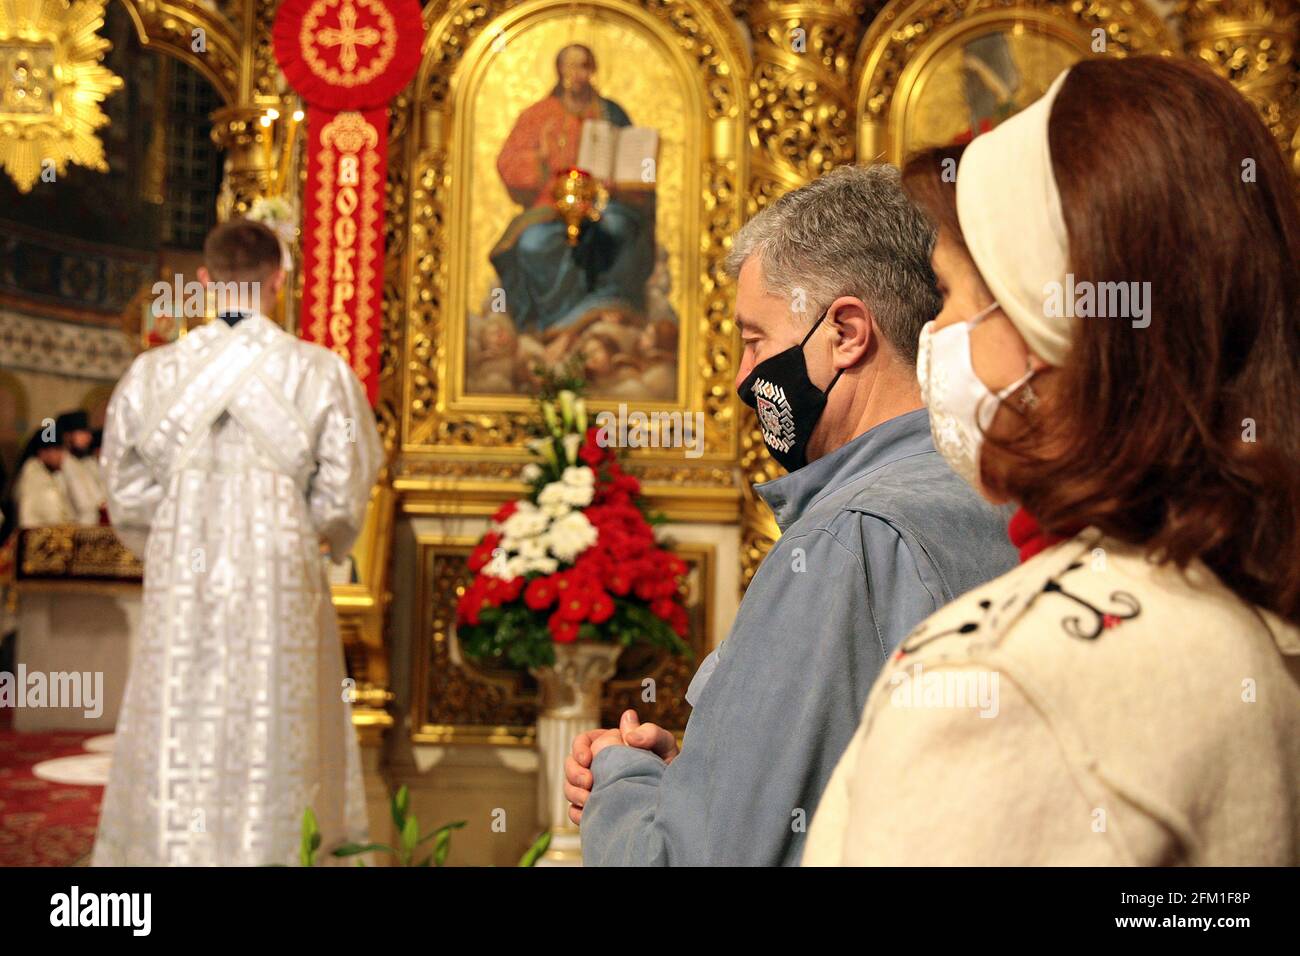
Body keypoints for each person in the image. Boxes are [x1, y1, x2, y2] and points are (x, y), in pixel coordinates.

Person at [804, 57, 1300, 865]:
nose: (938, 336)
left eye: (956, 296)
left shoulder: (997, 684)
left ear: (1065, 333)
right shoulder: (1254, 617)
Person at [567, 164, 1018, 865]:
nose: (746, 379)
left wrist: (620, 784)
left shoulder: (849, 540)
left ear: (845, 333)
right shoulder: (998, 493)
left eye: (756, 339)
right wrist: (702, 772)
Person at [92, 218, 383, 866]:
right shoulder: (321, 373)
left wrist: (169, 544)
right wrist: (305, 540)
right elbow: (341, 497)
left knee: (181, 712)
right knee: (279, 722)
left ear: (203, 282)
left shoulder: (151, 373)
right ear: (280, 282)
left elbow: (127, 493)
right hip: (279, 582)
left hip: (182, 580)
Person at [14, 428, 75, 527]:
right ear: (42, 453)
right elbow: (29, 519)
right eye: (57, 450)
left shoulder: (48, 474)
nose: (62, 456)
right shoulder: (34, 476)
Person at [56, 409, 105, 525]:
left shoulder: (86, 462)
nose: (89, 438)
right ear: (67, 435)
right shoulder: (61, 464)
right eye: (83, 432)